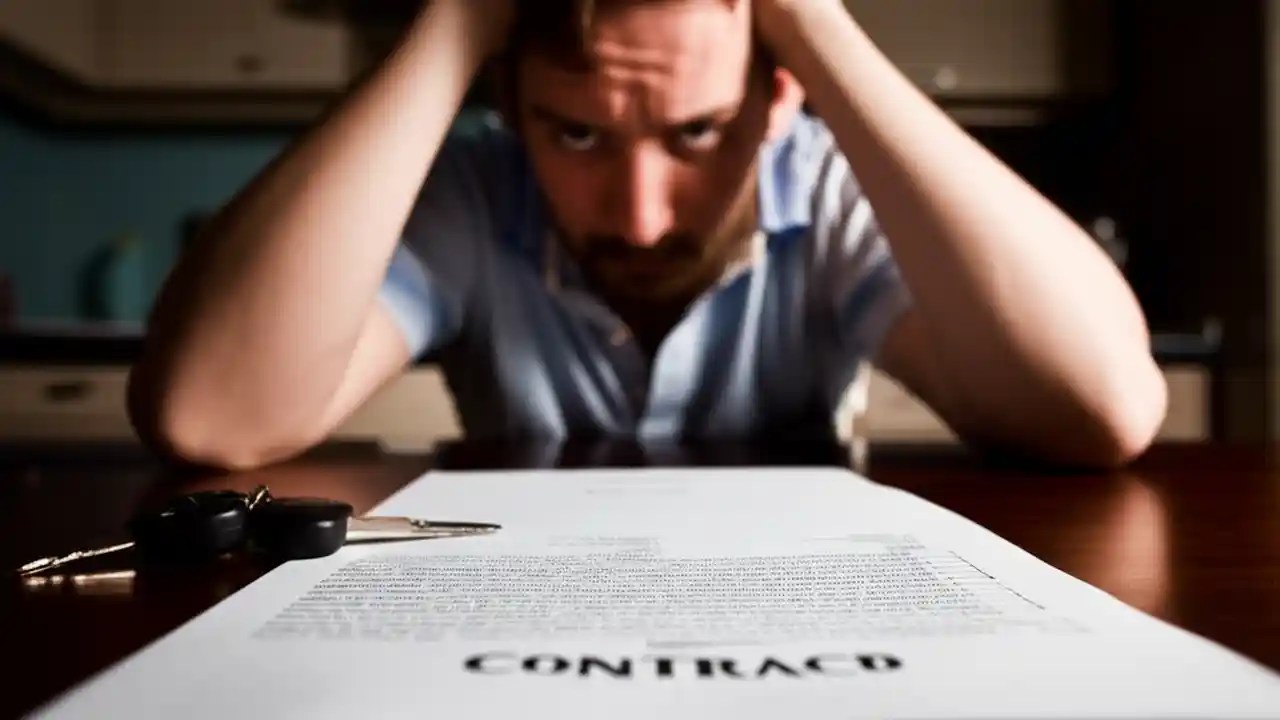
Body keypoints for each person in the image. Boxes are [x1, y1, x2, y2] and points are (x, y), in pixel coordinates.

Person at [126, 0, 1168, 471]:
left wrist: (815, 24)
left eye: (699, 133)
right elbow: (210, 418)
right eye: (574, 132)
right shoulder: (477, 196)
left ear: (776, 101)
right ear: (509, 102)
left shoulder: (820, 188)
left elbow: (1103, 411)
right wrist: (451, 26)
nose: (637, 217)